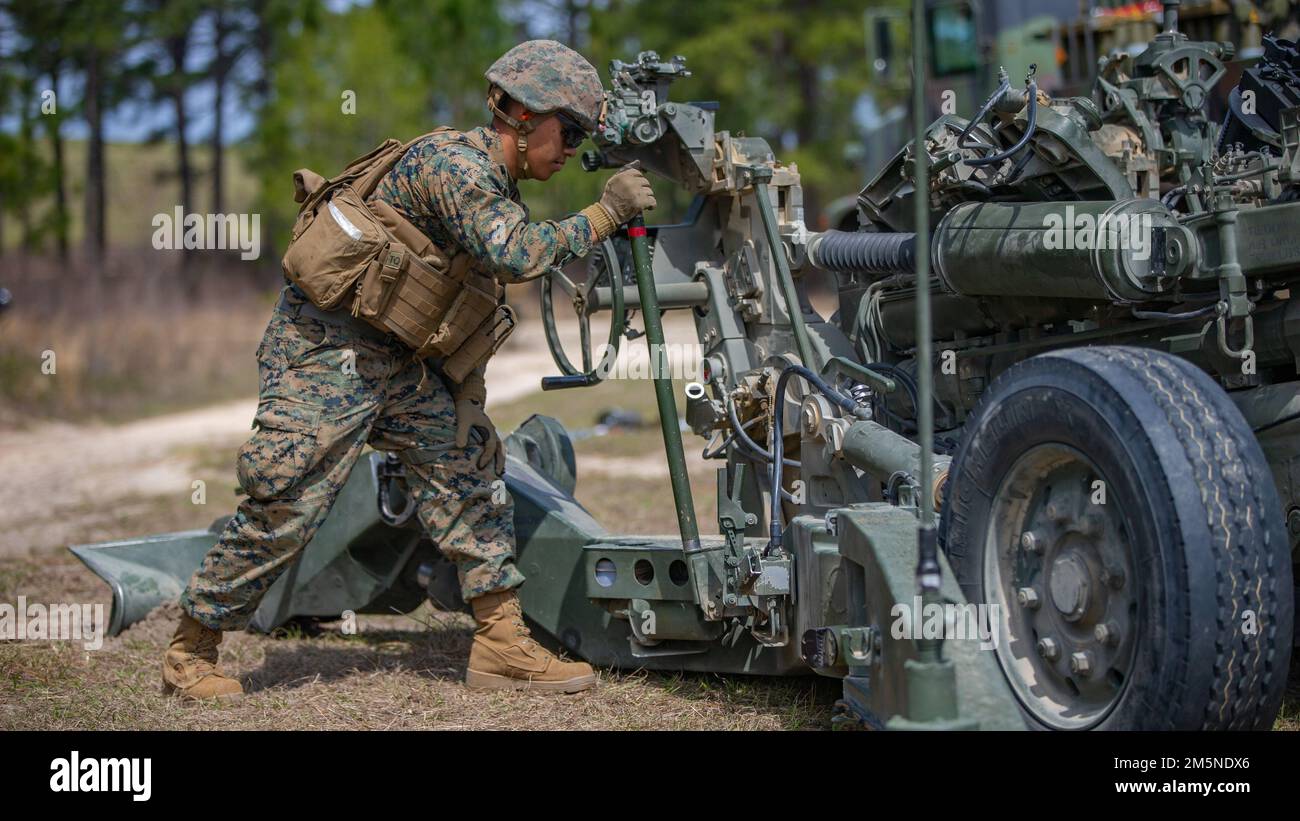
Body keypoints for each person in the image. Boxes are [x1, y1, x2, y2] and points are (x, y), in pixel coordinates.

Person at [162, 39, 656, 701]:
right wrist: (605, 213)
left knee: (469, 464)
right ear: (523, 117)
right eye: (567, 131)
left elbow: (466, 307)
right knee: (287, 501)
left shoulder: (493, 183)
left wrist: (466, 402)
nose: (569, 150)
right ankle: (192, 648)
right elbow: (516, 253)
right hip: (326, 351)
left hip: (392, 362)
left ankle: (500, 642)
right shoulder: (458, 166)